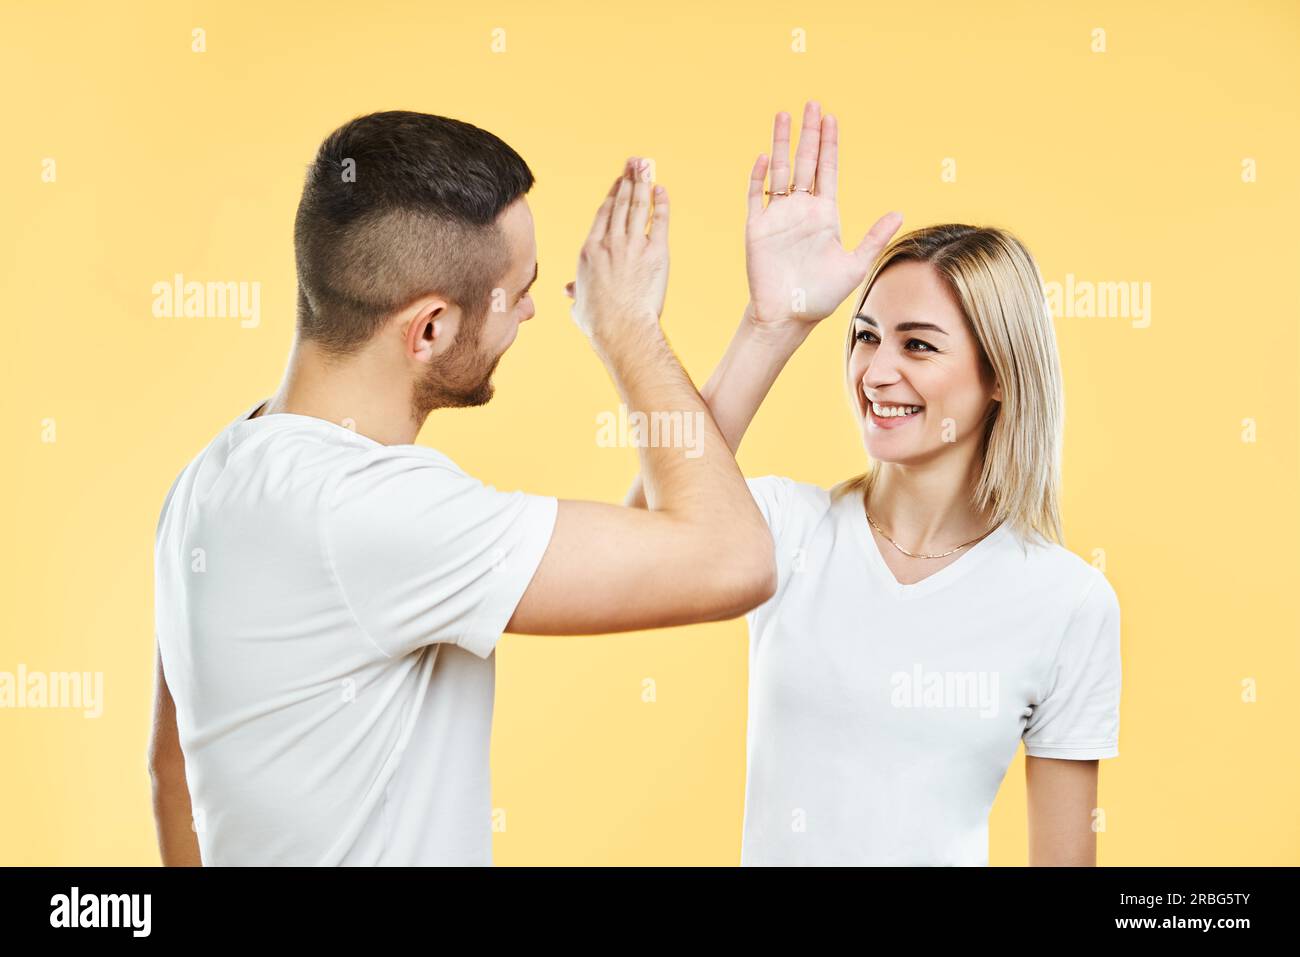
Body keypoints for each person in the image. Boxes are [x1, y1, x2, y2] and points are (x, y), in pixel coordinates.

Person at [148, 111, 776, 866]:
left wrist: (768, 329)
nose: (535, 310)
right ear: (431, 329)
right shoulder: (370, 511)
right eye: (518, 292)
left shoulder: (215, 476)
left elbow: (174, 766)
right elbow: (732, 556)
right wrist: (627, 329)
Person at [623, 102, 1122, 866]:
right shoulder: (788, 530)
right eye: (865, 336)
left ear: (999, 376)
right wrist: (772, 324)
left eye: (918, 345)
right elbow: (633, 553)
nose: (877, 372)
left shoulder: (1067, 602)